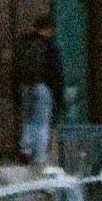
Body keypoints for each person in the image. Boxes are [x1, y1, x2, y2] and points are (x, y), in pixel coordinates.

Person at [14, 9, 65, 171]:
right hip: (43, 87)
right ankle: (40, 157)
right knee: (42, 122)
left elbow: (15, 68)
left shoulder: (25, 43)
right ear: (48, 28)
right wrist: (59, 95)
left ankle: (25, 147)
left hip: (25, 87)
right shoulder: (49, 45)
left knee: (29, 120)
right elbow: (56, 72)